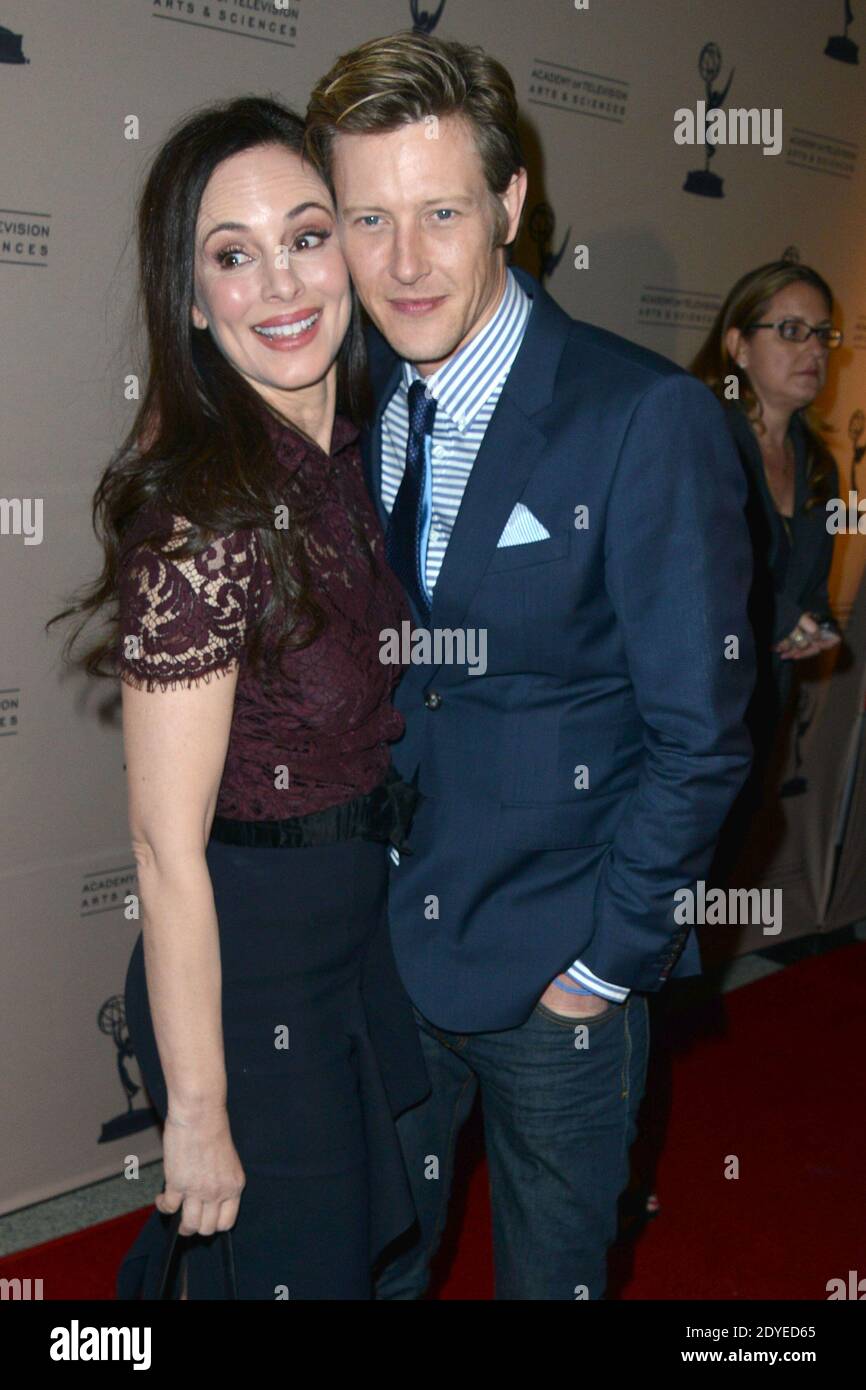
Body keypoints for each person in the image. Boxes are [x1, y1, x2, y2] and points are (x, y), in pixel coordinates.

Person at [304, 30, 757, 1300]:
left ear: (508, 202)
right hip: (387, 954)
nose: (401, 264)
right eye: (367, 219)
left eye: (440, 212)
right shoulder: (357, 403)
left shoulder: (639, 417)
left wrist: (604, 965)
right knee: (371, 1269)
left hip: (557, 974)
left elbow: (703, 731)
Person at [49, 96, 429, 1299]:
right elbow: (165, 851)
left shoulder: (367, 455)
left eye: (306, 235)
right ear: (194, 296)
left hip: (359, 943)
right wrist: (199, 1108)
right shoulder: (201, 524)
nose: (280, 283)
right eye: (233, 254)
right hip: (247, 974)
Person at [691, 261, 843, 872]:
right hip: (682, 718)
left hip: (758, 719)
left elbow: (805, 590)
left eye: (823, 334)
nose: (813, 349)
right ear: (738, 346)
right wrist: (779, 617)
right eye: (789, 330)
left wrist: (816, 624)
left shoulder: (818, 466)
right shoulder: (700, 432)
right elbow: (690, 572)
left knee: (716, 885)